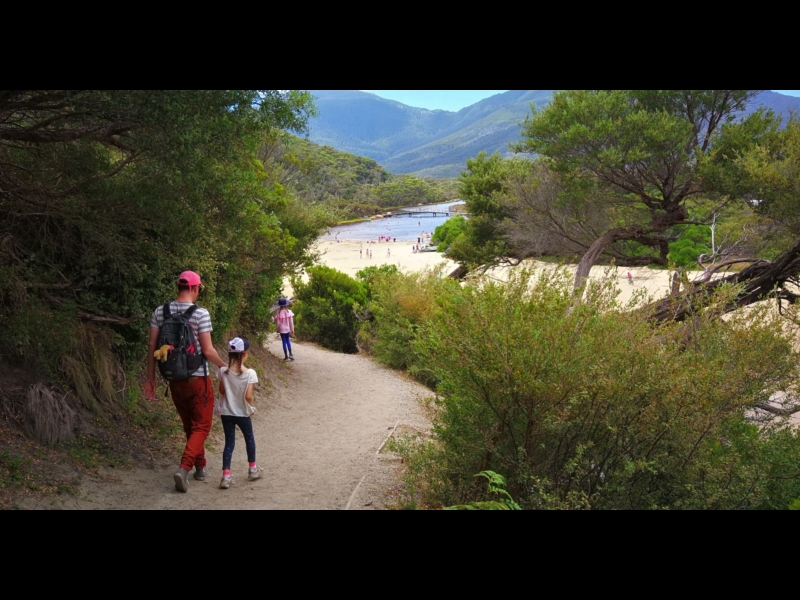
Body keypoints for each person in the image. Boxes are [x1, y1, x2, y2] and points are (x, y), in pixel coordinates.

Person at [145, 270, 227, 493]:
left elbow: (152, 347)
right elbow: (208, 351)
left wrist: (150, 378)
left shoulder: (160, 312)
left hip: (174, 379)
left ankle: (200, 466)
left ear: (179, 287)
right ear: (195, 288)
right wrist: (225, 367)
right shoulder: (201, 313)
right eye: (199, 288)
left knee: (190, 425)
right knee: (202, 425)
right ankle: (184, 468)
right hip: (197, 378)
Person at [216, 336, 261, 489]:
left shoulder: (223, 371)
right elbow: (248, 396)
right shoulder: (250, 374)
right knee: (249, 439)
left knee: (229, 442)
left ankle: (226, 476)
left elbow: (222, 391)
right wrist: (251, 409)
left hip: (226, 413)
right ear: (245, 354)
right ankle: (252, 469)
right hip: (242, 413)